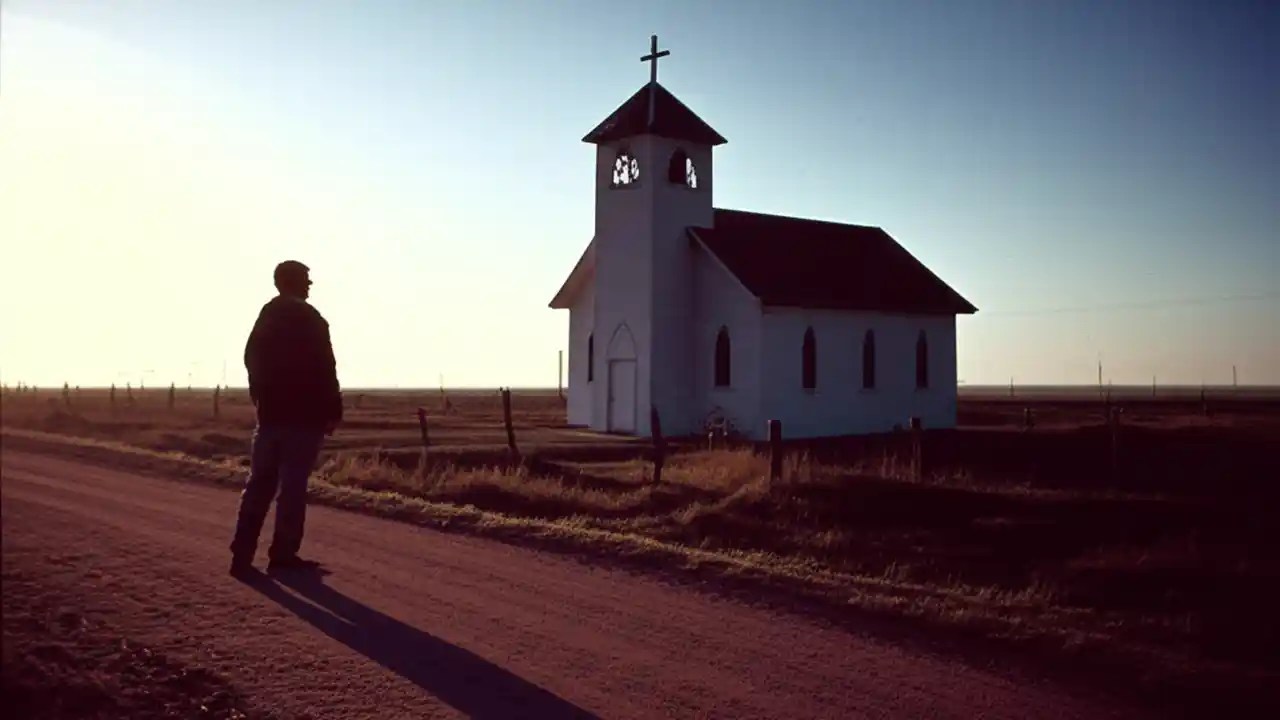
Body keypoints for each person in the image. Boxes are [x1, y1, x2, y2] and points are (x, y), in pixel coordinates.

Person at [229, 260, 343, 577]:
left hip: (271, 416)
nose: (310, 285)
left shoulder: (268, 315)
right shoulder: (312, 319)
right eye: (306, 279)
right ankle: (283, 554)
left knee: (259, 485)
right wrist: (333, 410)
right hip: (303, 417)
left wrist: (260, 395)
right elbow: (326, 368)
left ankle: (242, 553)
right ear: (294, 282)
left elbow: (251, 358)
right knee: (292, 488)